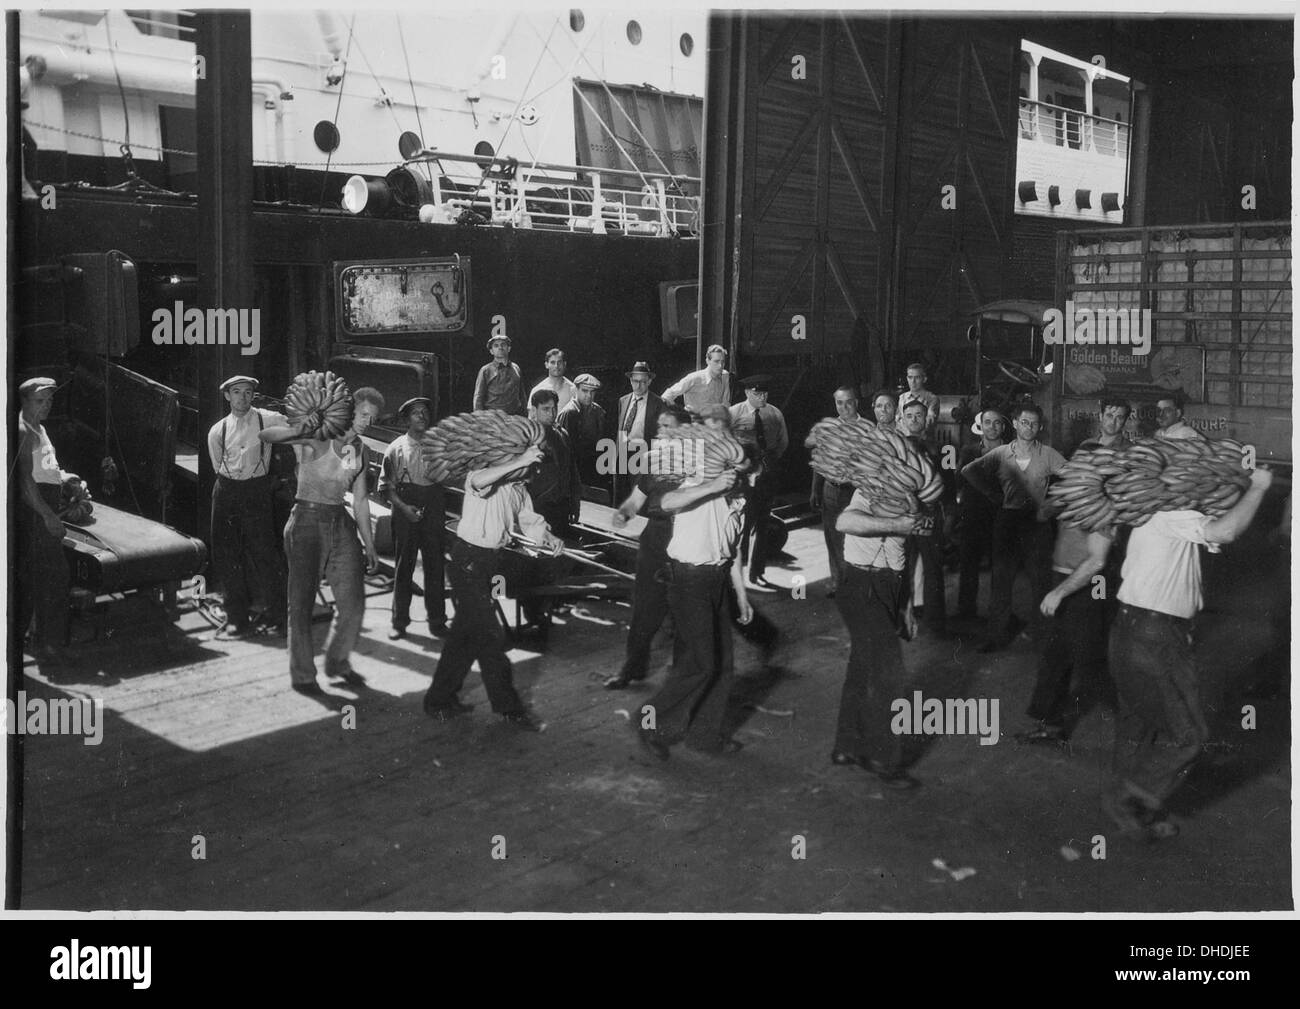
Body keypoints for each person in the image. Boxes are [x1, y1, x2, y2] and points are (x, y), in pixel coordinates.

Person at [1103, 466, 1274, 840]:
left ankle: (1135, 808)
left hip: (1130, 629)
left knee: (1140, 721)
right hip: (1156, 634)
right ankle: (1129, 800)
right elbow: (1226, 530)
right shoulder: (1172, 513)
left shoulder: (1156, 511)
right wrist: (1258, 489)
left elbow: (1218, 527)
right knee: (1189, 734)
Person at [422, 445, 564, 731]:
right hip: (468, 562)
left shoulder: (518, 489)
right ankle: (509, 708)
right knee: (490, 638)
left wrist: (549, 538)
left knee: (464, 637)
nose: (532, 473)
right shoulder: (486, 475)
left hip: (489, 563)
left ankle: (439, 700)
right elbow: (477, 482)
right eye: (529, 466)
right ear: (514, 460)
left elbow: (529, 521)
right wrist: (521, 460)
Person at [261, 387, 384, 694]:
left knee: (353, 603)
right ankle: (303, 675)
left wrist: (369, 543)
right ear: (349, 411)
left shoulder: (360, 450)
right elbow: (267, 436)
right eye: (363, 414)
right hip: (306, 520)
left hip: (340, 522)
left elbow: (360, 499)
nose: (367, 422)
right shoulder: (318, 437)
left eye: (374, 418)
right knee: (301, 604)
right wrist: (303, 427)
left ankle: (338, 661)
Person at [636, 465, 752, 759]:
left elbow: (733, 552)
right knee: (703, 664)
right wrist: (712, 486)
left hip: (716, 581)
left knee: (722, 664)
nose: (754, 481)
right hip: (688, 581)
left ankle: (704, 735)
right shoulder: (700, 490)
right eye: (750, 475)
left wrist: (742, 597)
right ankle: (650, 722)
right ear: (732, 472)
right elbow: (663, 502)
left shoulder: (739, 503)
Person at [831, 488, 933, 790]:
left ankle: (846, 747)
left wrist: (908, 606)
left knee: (862, 666)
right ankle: (881, 759)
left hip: (891, 586)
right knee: (890, 672)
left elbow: (911, 553)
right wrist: (896, 525)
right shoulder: (869, 492)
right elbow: (844, 522)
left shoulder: (914, 501)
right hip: (860, 584)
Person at [960, 403, 1066, 652]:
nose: (1028, 427)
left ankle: (1042, 637)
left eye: (1034, 423)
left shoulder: (1049, 454)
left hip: (1037, 524)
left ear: (1040, 427)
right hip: (1007, 522)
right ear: (1016, 424)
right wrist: (991, 494)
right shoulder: (1001, 453)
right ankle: (996, 635)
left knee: (1040, 581)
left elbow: (1075, 478)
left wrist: (1052, 504)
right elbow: (968, 470)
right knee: (1001, 581)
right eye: (1024, 422)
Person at [603, 405, 689, 690]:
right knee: (644, 607)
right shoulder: (651, 461)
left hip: (686, 539)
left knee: (685, 610)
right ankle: (633, 668)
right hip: (654, 538)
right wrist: (623, 514)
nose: (661, 433)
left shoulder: (697, 464)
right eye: (659, 428)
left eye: (668, 427)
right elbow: (636, 500)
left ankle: (683, 675)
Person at [1017, 512, 1116, 744]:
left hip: (1088, 582)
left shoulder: (1099, 501)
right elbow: (1041, 512)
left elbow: (1098, 560)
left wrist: (1061, 592)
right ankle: (1050, 725)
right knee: (1055, 652)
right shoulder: (1073, 489)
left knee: (1089, 656)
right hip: (1067, 577)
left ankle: (1141, 726)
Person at [206, 375, 290, 638]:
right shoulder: (217, 430)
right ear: (227, 396)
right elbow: (218, 464)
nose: (242, 397)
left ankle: (278, 617)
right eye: (236, 392)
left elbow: (297, 426)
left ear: (253, 395)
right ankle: (236, 619)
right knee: (227, 555)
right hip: (227, 490)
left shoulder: (268, 419)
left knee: (265, 553)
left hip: (256, 491)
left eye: (247, 392)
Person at [379, 396, 447, 640]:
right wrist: (404, 508)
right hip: (404, 507)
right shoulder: (396, 448)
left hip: (434, 506)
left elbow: (448, 478)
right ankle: (399, 622)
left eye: (425, 412)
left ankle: (438, 622)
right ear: (406, 419)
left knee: (435, 566)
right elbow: (387, 488)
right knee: (404, 566)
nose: (422, 416)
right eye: (416, 413)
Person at [16, 376, 72, 661]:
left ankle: (29, 639)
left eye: (50, 400)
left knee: (34, 579)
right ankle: (50, 647)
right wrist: (49, 517)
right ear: (24, 402)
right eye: (40, 401)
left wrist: (66, 477)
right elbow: (25, 483)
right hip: (37, 512)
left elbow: (46, 469)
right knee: (55, 578)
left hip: (47, 502)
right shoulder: (23, 430)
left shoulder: (40, 428)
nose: (46, 406)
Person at [730, 374, 789, 591]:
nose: (762, 396)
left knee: (762, 524)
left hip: (766, 476)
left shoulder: (774, 414)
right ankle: (735, 573)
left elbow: (783, 443)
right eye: (757, 393)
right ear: (747, 393)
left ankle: (756, 572)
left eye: (765, 393)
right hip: (740, 476)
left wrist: (766, 464)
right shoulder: (734, 413)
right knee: (738, 525)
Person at [899, 399, 947, 634]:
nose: (915, 420)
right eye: (910, 416)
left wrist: (950, 514)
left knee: (933, 568)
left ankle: (935, 621)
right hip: (903, 517)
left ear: (927, 418)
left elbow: (948, 482)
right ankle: (901, 616)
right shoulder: (894, 447)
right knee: (900, 566)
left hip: (931, 516)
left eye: (919, 415)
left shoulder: (943, 448)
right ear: (903, 418)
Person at [810, 385, 861, 598]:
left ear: (856, 402)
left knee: (855, 539)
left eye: (848, 402)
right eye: (839, 402)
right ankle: (838, 582)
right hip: (831, 491)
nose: (844, 407)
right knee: (833, 538)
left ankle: (855, 585)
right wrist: (815, 490)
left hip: (855, 493)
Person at [955, 408, 1006, 618]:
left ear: (1003, 426)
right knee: (968, 565)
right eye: (988, 422)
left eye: (996, 423)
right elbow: (959, 479)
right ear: (981, 426)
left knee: (1001, 568)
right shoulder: (969, 450)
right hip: (973, 515)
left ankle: (999, 616)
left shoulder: (1012, 450)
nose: (992, 427)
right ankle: (966, 613)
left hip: (1001, 517)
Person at [526, 389, 582, 536]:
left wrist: (575, 504)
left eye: (554, 409)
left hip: (561, 508)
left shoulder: (562, 435)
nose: (551, 414)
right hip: (537, 509)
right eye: (545, 409)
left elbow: (573, 472)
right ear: (534, 410)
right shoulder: (526, 439)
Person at [614, 361, 663, 504]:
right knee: (620, 497)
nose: (638, 385)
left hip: (642, 454)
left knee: (638, 499)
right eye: (635, 381)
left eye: (643, 381)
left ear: (649, 381)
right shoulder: (623, 400)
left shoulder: (657, 403)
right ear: (630, 381)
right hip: (622, 453)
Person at [557, 373, 607, 492]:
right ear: (576, 390)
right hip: (573, 468)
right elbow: (565, 448)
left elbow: (601, 441)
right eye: (585, 391)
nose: (589, 395)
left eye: (592, 392)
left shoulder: (598, 412)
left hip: (592, 467)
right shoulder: (569, 412)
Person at [661, 344, 731, 415]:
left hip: (715, 422)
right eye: (716, 361)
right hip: (695, 421)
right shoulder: (695, 377)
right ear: (708, 361)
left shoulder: (725, 375)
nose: (720, 366)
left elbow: (725, 403)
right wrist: (679, 414)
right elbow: (667, 395)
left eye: (723, 362)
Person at [473, 335, 525, 415]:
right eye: (496, 346)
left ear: (509, 348)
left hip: (515, 418)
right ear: (491, 351)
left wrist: (526, 413)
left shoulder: (516, 368)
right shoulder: (486, 370)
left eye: (503, 345)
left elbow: (522, 395)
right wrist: (479, 419)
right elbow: (478, 397)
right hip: (493, 419)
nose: (500, 347)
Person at [529, 347, 577, 416]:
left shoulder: (573, 389)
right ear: (546, 365)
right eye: (552, 362)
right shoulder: (537, 390)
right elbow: (531, 418)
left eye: (559, 362)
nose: (556, 366)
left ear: (564, 364)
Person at [897, 363, 939, 433]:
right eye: (910, 377)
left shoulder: (932, 399)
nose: (913, 381)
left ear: (924, 379)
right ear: (907, 378)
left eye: (917, 377)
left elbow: (928, 424)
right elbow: (898, 423)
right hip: (904, 439)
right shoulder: (902, 398)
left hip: (923, 440)